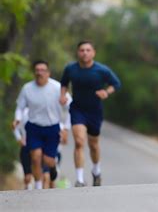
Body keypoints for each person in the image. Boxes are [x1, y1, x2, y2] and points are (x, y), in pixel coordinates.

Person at [60, 40, 121, 187]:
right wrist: (62, 95)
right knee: (80, 142)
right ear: (77, 52)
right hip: (77, 109)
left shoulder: (102, 70)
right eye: (82, 50)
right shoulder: (70, 69)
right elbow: (64, 83)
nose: (85, 53)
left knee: (93, 145)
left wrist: (106, 92)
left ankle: (96, 171)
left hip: (95, 111)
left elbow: (116, 84)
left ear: (93, 53)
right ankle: (80, 179)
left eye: (88, 50)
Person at [12, 60, 65, 190]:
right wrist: (17, 119)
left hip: (52, 127)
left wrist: (66, 128)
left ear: (48, 73)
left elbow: (71, 106)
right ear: (34, 72)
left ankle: (53, 167)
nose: (39, 73)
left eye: (43, 70)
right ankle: (38, 186)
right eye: (37, 70)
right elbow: (20, 107)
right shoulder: (27, 88)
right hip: (34, 127)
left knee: (48, 160)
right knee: (35, 157)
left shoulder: (57, 87)